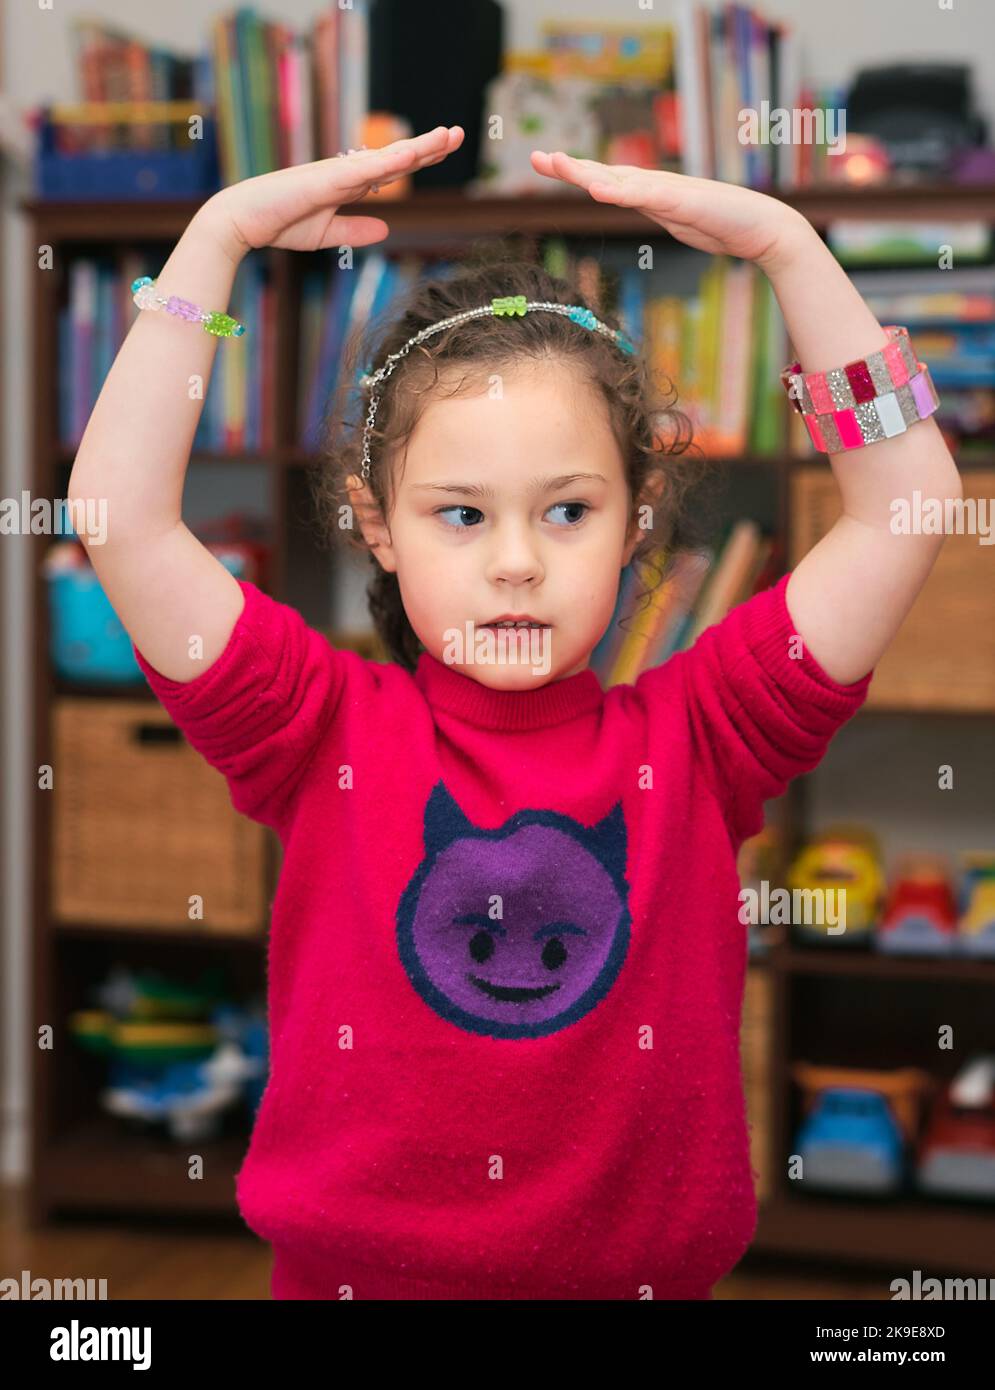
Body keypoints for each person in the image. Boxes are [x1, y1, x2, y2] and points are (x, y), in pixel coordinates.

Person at [68, 126, 962, 1300]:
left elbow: (905, 504)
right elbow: (120, 515)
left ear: (639, 514)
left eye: (566, 512)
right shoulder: (314, 729)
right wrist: (214, 238)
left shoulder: (703, 735)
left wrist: (791, 249)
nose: (516, 566)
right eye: (460, 515)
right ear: (375, 525)